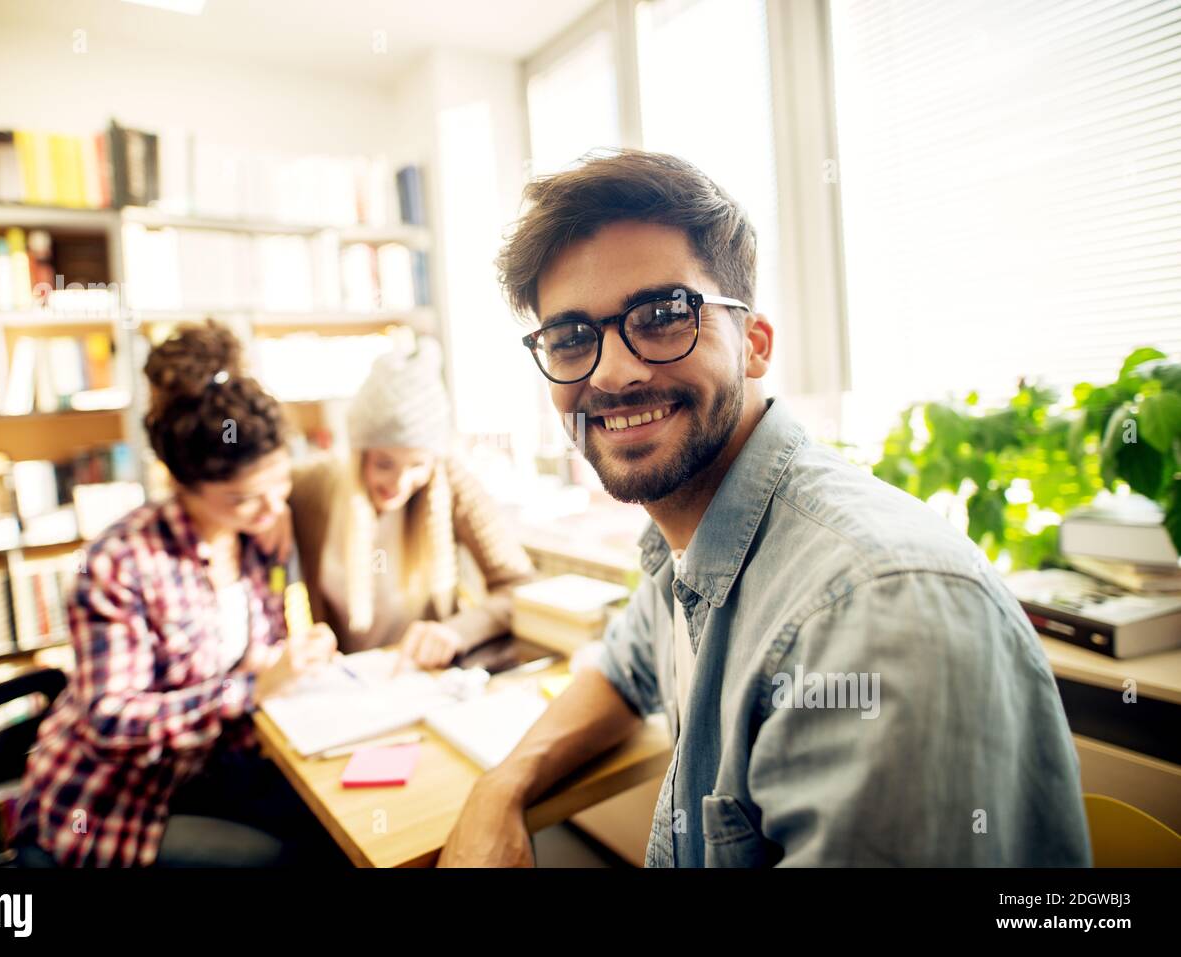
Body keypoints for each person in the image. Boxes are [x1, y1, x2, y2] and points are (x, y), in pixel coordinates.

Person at [439, 150, 1092, 867]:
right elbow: (623, 670)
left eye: (662, 316)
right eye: (570, 338)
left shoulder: (875, 610)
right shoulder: (690, 546)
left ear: (754, 345)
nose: (614, 371)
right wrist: (499, 786)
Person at [12, 321, 338, 867]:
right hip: (110, 802)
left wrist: (279, 664)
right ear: (180, 483)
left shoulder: (260, 539)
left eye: (280, 485)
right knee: (285, 860)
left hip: (205, 773)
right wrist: (253, 687)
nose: (273, 509)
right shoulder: (121, 562)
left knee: (330, 831)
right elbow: (111, 722)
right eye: (244, 499)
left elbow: (261, 643)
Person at [287, 337, 535, 668]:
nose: (400, 484)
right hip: (350, 678)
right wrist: (272, 516)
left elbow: (519, 585)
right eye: (384, 463)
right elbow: (254, 488)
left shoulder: (450, 482)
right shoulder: (312, 486)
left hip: (429, 675)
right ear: (358, 453)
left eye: (417, 465)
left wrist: (457, 631)